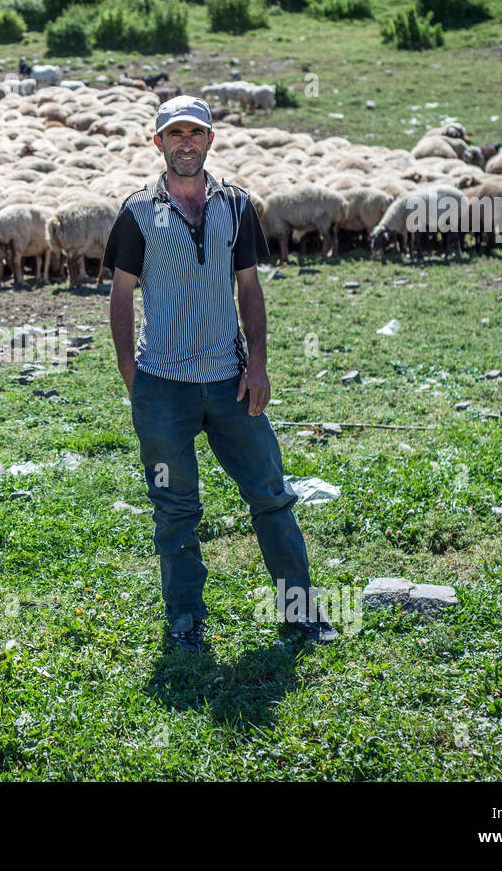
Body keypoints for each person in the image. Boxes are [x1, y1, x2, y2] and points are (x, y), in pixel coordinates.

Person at [102, 95, 338, 653]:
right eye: (174, 133)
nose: (186, 142)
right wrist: (131, 372)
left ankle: (300, 613)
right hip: (163, 386)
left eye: (196, 133)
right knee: (176, 507)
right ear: (157, 142)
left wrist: (257, 364)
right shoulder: (137, 212)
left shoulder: (236, 205)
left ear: (211, 140)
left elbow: (249, 286)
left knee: (272, 494)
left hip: (230, 381)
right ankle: (185, 620)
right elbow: (120, 292)